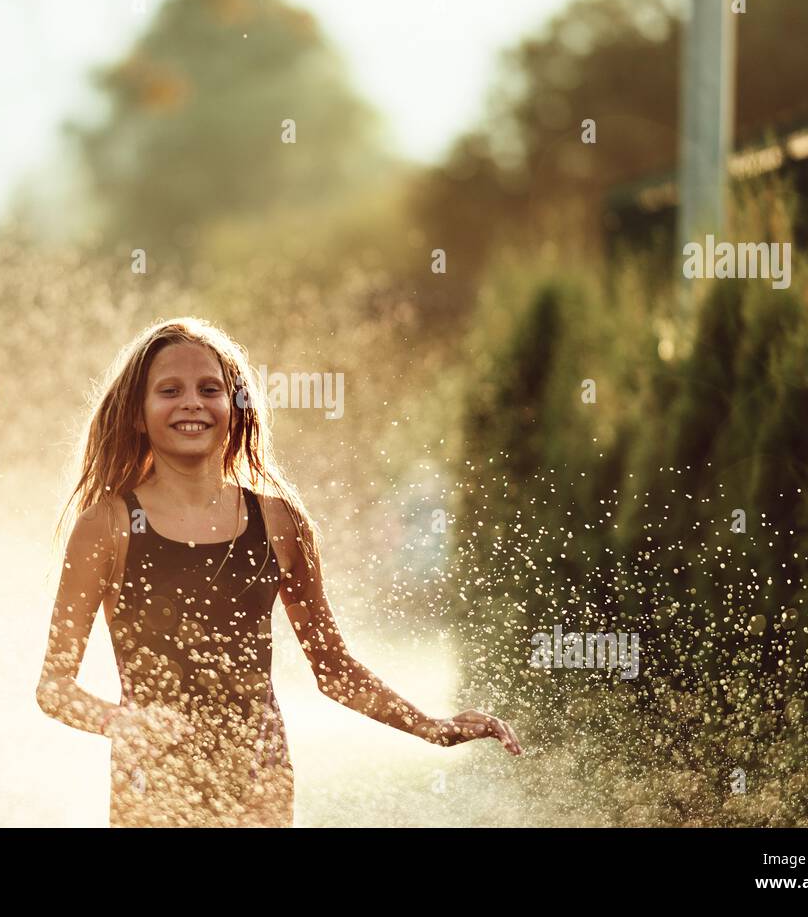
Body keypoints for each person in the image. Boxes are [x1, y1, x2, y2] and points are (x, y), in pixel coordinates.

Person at [36, 317, 522, 827]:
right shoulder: (108, 525)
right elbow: (54, 686)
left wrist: (431, 726)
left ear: (236, 407)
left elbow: (334, 671)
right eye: (169, 390)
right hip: (152, 783)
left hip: (259, 780)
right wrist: (118, 721)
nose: (192, 403)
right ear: (138, 415)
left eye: (210, 389)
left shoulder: (278, 522)